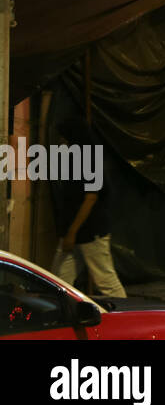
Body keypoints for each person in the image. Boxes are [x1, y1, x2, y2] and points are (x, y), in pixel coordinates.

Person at [50, 116, 126, 299]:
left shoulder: (89, 161)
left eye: (64, 138)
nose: (62, 142)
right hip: (75, 233)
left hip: (90, 232)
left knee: (105, 282)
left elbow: (90, 198)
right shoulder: (77, 161)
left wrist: (72, 232)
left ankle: (127, 318)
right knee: (59, 280)